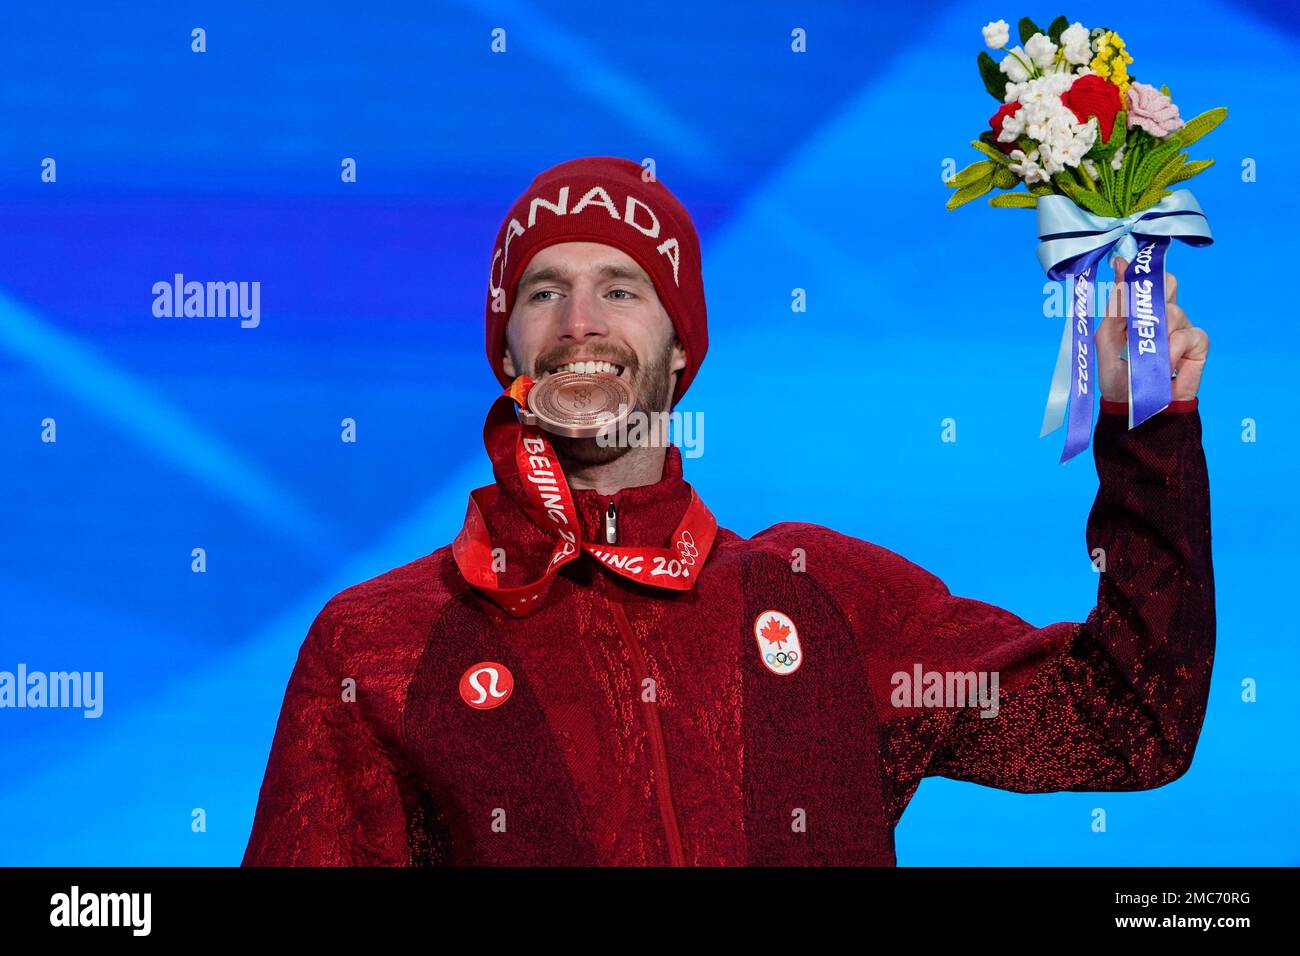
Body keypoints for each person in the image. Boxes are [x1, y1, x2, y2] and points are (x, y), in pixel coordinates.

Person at [241, 156, 1214, 866]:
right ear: (509, 353)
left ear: (678, 350)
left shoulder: (828, 597)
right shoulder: (381, 642)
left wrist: (1148, 435)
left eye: (621, 288)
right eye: (545, 292)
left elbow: (1124, 721)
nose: (581, 322)